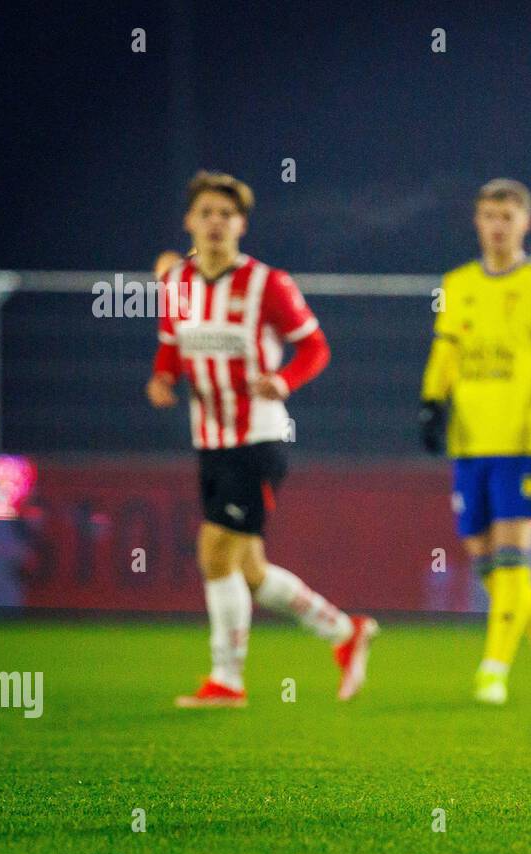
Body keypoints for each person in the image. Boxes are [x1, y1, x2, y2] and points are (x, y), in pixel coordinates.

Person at [146, 171, 377, 707]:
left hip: (258, 440)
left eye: (225, 214)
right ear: (190, 222)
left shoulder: (268, 284)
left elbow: (316, 347)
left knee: (213, 554)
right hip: (208, 440)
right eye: (205, 212)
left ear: (241, 225)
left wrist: (283, 380)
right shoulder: (176, 282)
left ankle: (227, 679)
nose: (215, 222)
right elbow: (170, 345)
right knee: (248, 570)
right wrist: (163, 379)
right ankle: (345, 632)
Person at [419, 178, 531, 704]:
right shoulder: (458, 283)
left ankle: (493, 669)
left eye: (506, 216)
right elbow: (447, 350)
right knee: (484, 558)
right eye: (489, 215)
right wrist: (431, 401)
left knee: (513, 557)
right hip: (470, 443)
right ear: (477, 221)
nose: (497, 226)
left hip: (519, 442)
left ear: (524, 223)